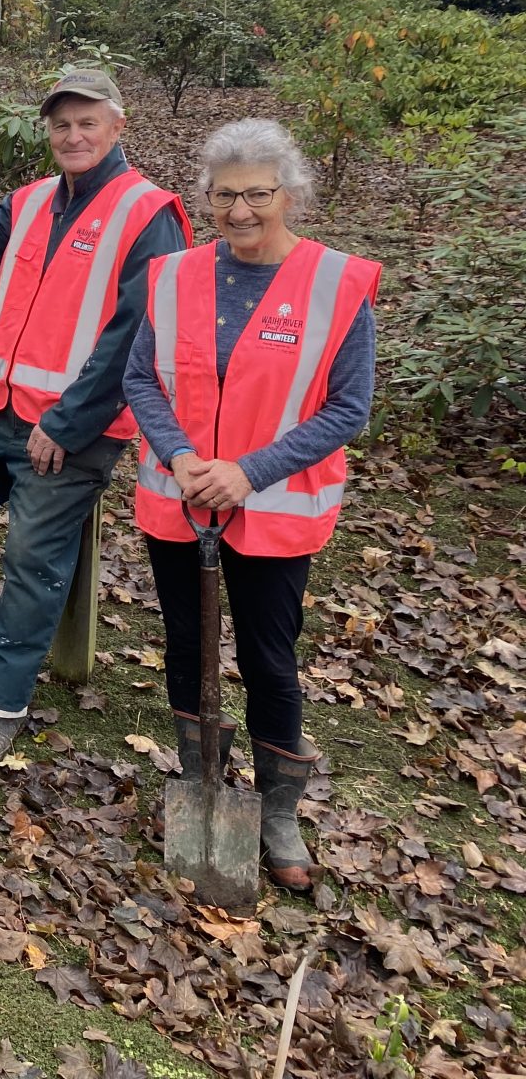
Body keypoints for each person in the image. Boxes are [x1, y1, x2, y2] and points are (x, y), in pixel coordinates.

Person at [0, 69, 192, 764]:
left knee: (33, 556)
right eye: (61, 124)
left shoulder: (147, 213)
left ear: (117, 127)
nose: (73, 135)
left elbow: (136, 333)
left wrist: (68, 424)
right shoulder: (32, 201)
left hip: (76, 429)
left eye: (87, 122)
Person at [124, 118, 378, 891]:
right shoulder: (172, 277)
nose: (239, 210)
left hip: (276, 508)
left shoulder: (336, 284)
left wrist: (247, 471)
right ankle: (201, 783)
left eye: (257, 194)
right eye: (225, 194)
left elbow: (347, 408)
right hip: (180, 497)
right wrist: (183, 456)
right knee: (186, 643)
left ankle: (276, 811)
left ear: (290, 195)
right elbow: (142, 381)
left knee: (270, 657)